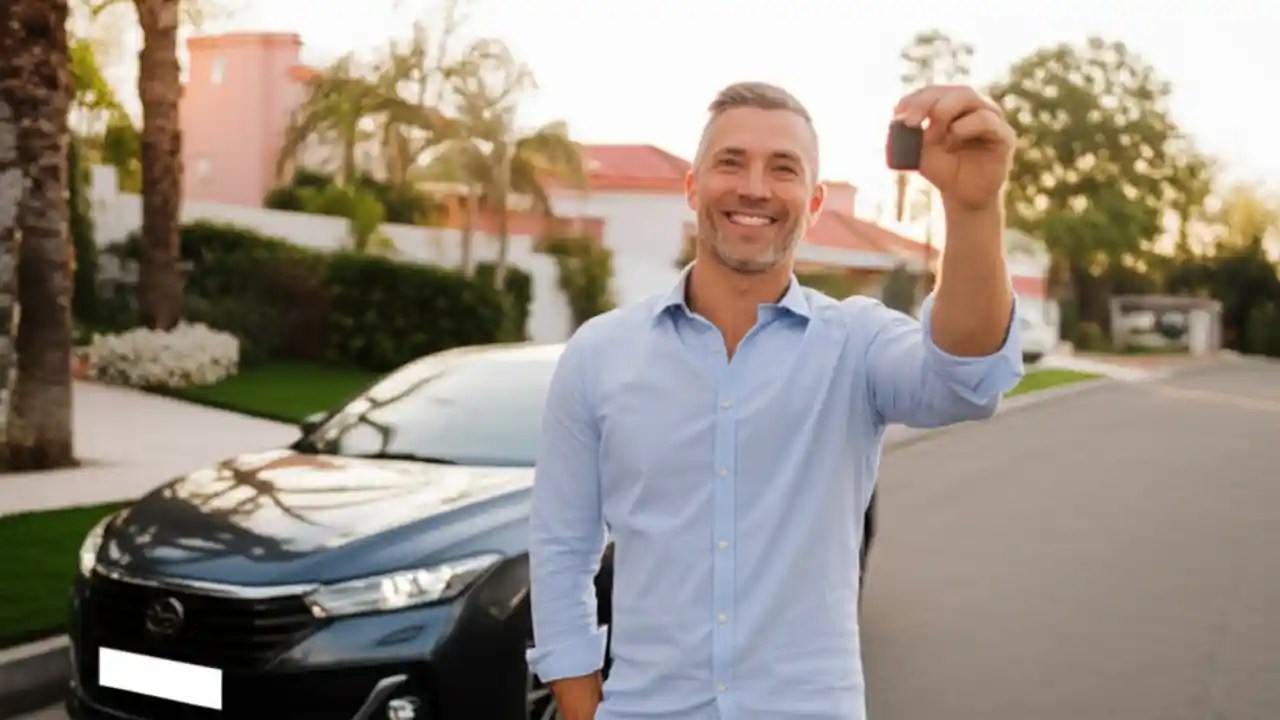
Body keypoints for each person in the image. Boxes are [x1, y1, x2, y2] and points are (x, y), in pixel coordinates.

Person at [525, 81, 1025, 720]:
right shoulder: (600, 353)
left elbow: (967, 378)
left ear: (814, 204)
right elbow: (562, 547)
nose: (755, 188)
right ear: (692, 187)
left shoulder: (856, 343)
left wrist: (973, 209)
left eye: (783, 169)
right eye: (731, 162)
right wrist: (581, 707)